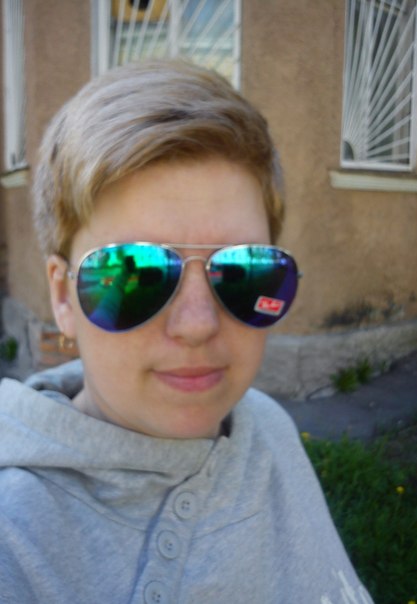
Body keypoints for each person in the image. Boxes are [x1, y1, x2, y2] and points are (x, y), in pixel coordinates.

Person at [0, 60, 373, 603]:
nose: (197, 325)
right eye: (133, 273)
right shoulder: (16, 537)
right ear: (63, 296)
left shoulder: (265, 423)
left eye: (245, 270)